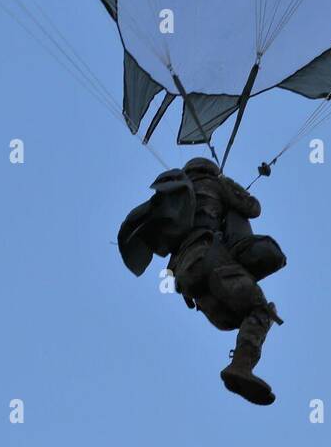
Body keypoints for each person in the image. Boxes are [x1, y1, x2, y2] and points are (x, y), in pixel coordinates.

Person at [118, 158, 286, 406]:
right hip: (211, 260)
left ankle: (240, 365)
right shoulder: (216, 184)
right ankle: (241, 366)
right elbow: (253, 208)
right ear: (211, 170)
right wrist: (227, 183)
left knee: (240, 317)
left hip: (188, 280)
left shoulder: (176, 200)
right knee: (260, 310)